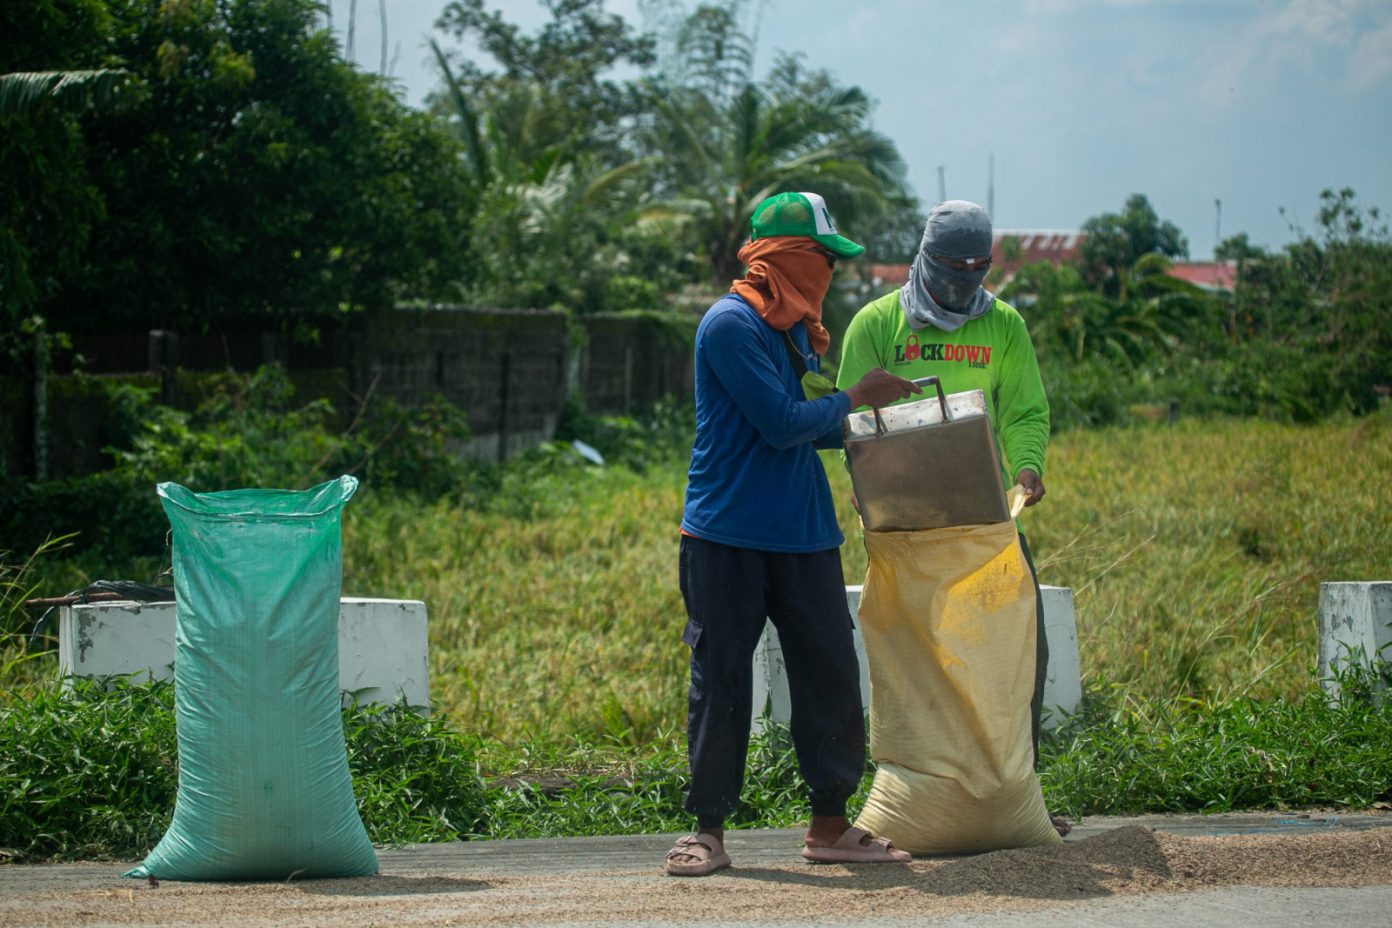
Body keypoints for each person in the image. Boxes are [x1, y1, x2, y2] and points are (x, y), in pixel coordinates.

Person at [666, 191, 921, 877]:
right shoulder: (731, 325)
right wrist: (854, 397)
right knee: (722, 679)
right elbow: (781, 423)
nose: (829, 275)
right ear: (786, 258)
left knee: (829, 674)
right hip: (727, 534)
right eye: (822, 258)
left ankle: (830, 825)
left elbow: (811, 424)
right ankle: (708, 832)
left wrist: (888, 426)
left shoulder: (786, 326)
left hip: (804, 531)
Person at [834, 199, 1071, 838]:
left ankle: (1014, 787)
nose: (963, 283)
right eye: (950, 269)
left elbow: (1024, 410)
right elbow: (848, 417)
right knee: (915, 656)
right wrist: (864, 481)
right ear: (925, 259)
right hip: (904, 526)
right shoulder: (879, 323)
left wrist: (1026, 467)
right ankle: (923, 790)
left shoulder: (1005, 327)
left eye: (976, 270)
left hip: (983, 522)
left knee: (1018, 650)